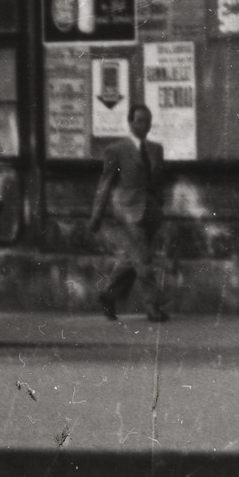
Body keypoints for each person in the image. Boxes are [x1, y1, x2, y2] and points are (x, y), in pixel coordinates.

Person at [89, 101, 170, 323]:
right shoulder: (116, 151)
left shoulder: (156, 149)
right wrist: (96, 215)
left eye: (148, 122)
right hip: (127, 211)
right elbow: (105, 184)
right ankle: (153, 307)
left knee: (131, 259)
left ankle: (108, 294)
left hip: (150, 212)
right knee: (143, 259)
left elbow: (158, 182)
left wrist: (159, 207)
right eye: (140, 121)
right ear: (130, 122)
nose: (144, 125)